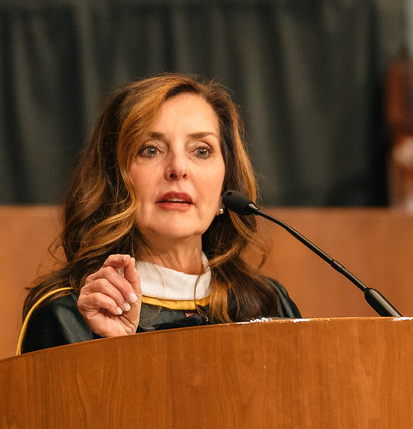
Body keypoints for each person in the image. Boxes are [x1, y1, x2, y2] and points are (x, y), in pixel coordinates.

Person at [18, 73, 300, 354]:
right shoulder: (73, 314)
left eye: (201, 151)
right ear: (115, 179)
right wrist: (113, 348)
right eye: (150, 150)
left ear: (226, 186)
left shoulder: (269, 304)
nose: (178, 168)